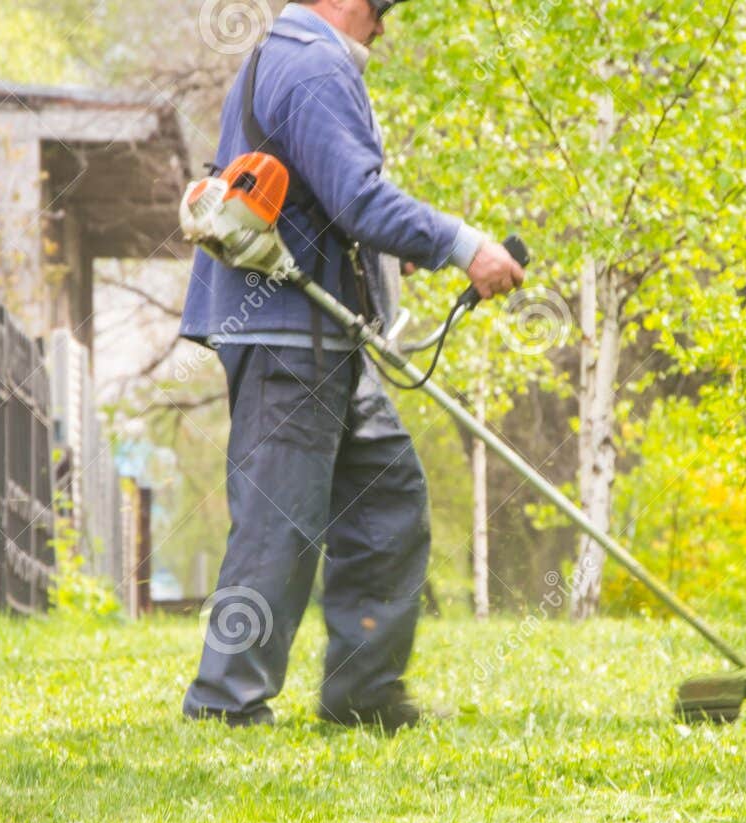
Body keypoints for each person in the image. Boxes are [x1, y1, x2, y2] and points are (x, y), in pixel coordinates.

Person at [179, 0, 525, 730]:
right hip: (287, 337)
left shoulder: (295, 57)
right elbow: (359, 196)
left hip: (320, 336)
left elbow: (324, 199)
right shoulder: (312, 65)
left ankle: (361, 694)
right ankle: (225, 705)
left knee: (387, 505)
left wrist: (383, 247)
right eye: (379, 12)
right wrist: (465, 245)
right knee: (281, 525)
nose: (383, 28)